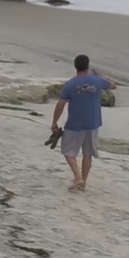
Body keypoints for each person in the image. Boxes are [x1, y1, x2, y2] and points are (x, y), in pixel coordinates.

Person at [51, 54, 118, 192]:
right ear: (87, 66)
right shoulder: (97, 81)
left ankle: (78, 177)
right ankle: (83, 182)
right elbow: (113, 86)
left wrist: (54, 122)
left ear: (75, 67)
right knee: (87, 154)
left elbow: (60, 105)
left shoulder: (70, 84)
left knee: (68, 151)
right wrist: (100, 74)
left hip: (75, 123)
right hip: (93, 122)